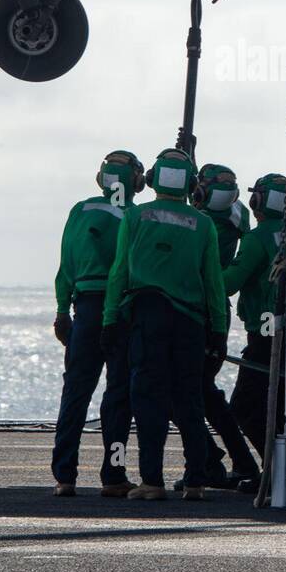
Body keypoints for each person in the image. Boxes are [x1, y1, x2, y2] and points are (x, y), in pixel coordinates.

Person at [101, 148, 227, 501]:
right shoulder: (202, 224)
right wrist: (218, 330)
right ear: (191, 184)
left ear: (153, 179)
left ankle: (152, 481)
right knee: (189, 399)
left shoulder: (135, 216)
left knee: (147, 398)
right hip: (190, 322)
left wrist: (110, 320)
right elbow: (213, 282)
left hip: (146, 317)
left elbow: (119, 274)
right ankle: (197, 481)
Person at [51, 151, 144, 498]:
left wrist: (62, 311)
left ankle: (65, 476)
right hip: (120, 311)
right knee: (118, 397)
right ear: (137, 182)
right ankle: (113, 473)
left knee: (75, 392)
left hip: (85, 310)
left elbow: (66, 265)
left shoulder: (81, 210)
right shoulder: (137, 217)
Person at [174, 165, 259, 492]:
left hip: (194, 308)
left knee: (183, 393)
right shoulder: (234, 215)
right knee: (205, 394)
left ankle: (211, 460)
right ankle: (230, 460)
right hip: (214, 311)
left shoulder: (200, 220)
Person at [223, 173, 286, 488]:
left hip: (263, 337)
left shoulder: (257, 238)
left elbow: (230, 283)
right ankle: (280, 470)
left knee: (244, 407)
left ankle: (275, 471)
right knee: (279, 408)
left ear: (258, 201)